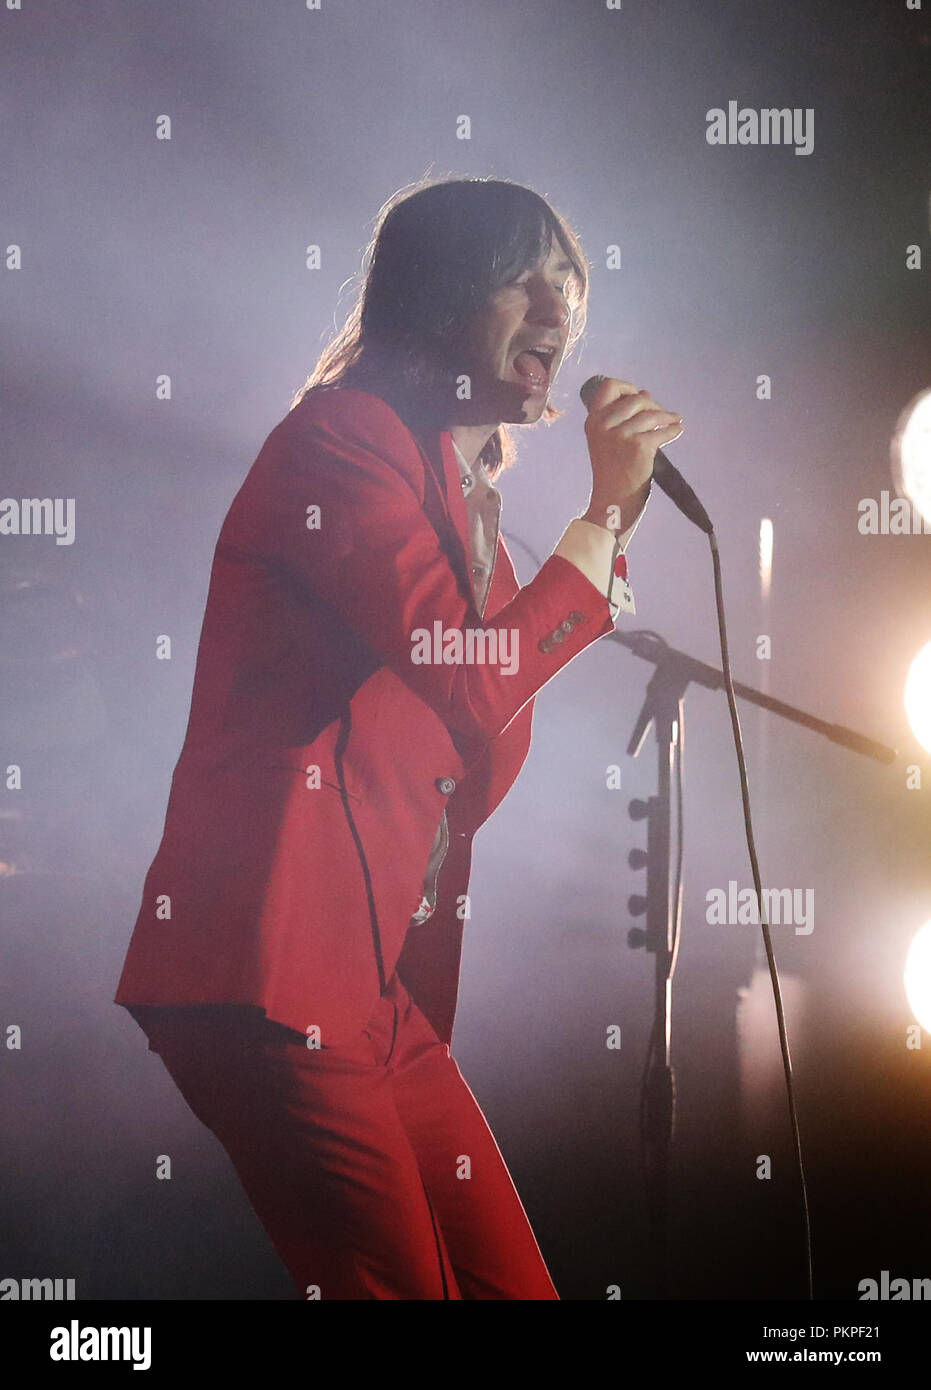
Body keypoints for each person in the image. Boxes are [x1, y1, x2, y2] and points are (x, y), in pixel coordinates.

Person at [114, 176, 683, 1300]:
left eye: (568, 282)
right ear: (431, 297)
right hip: (270, 970)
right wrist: (605, 515)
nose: (557, 305)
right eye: (521, 277)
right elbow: (473, 684)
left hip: (368, 989)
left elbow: (468, 746)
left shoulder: (459, 503)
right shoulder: (337, 445)